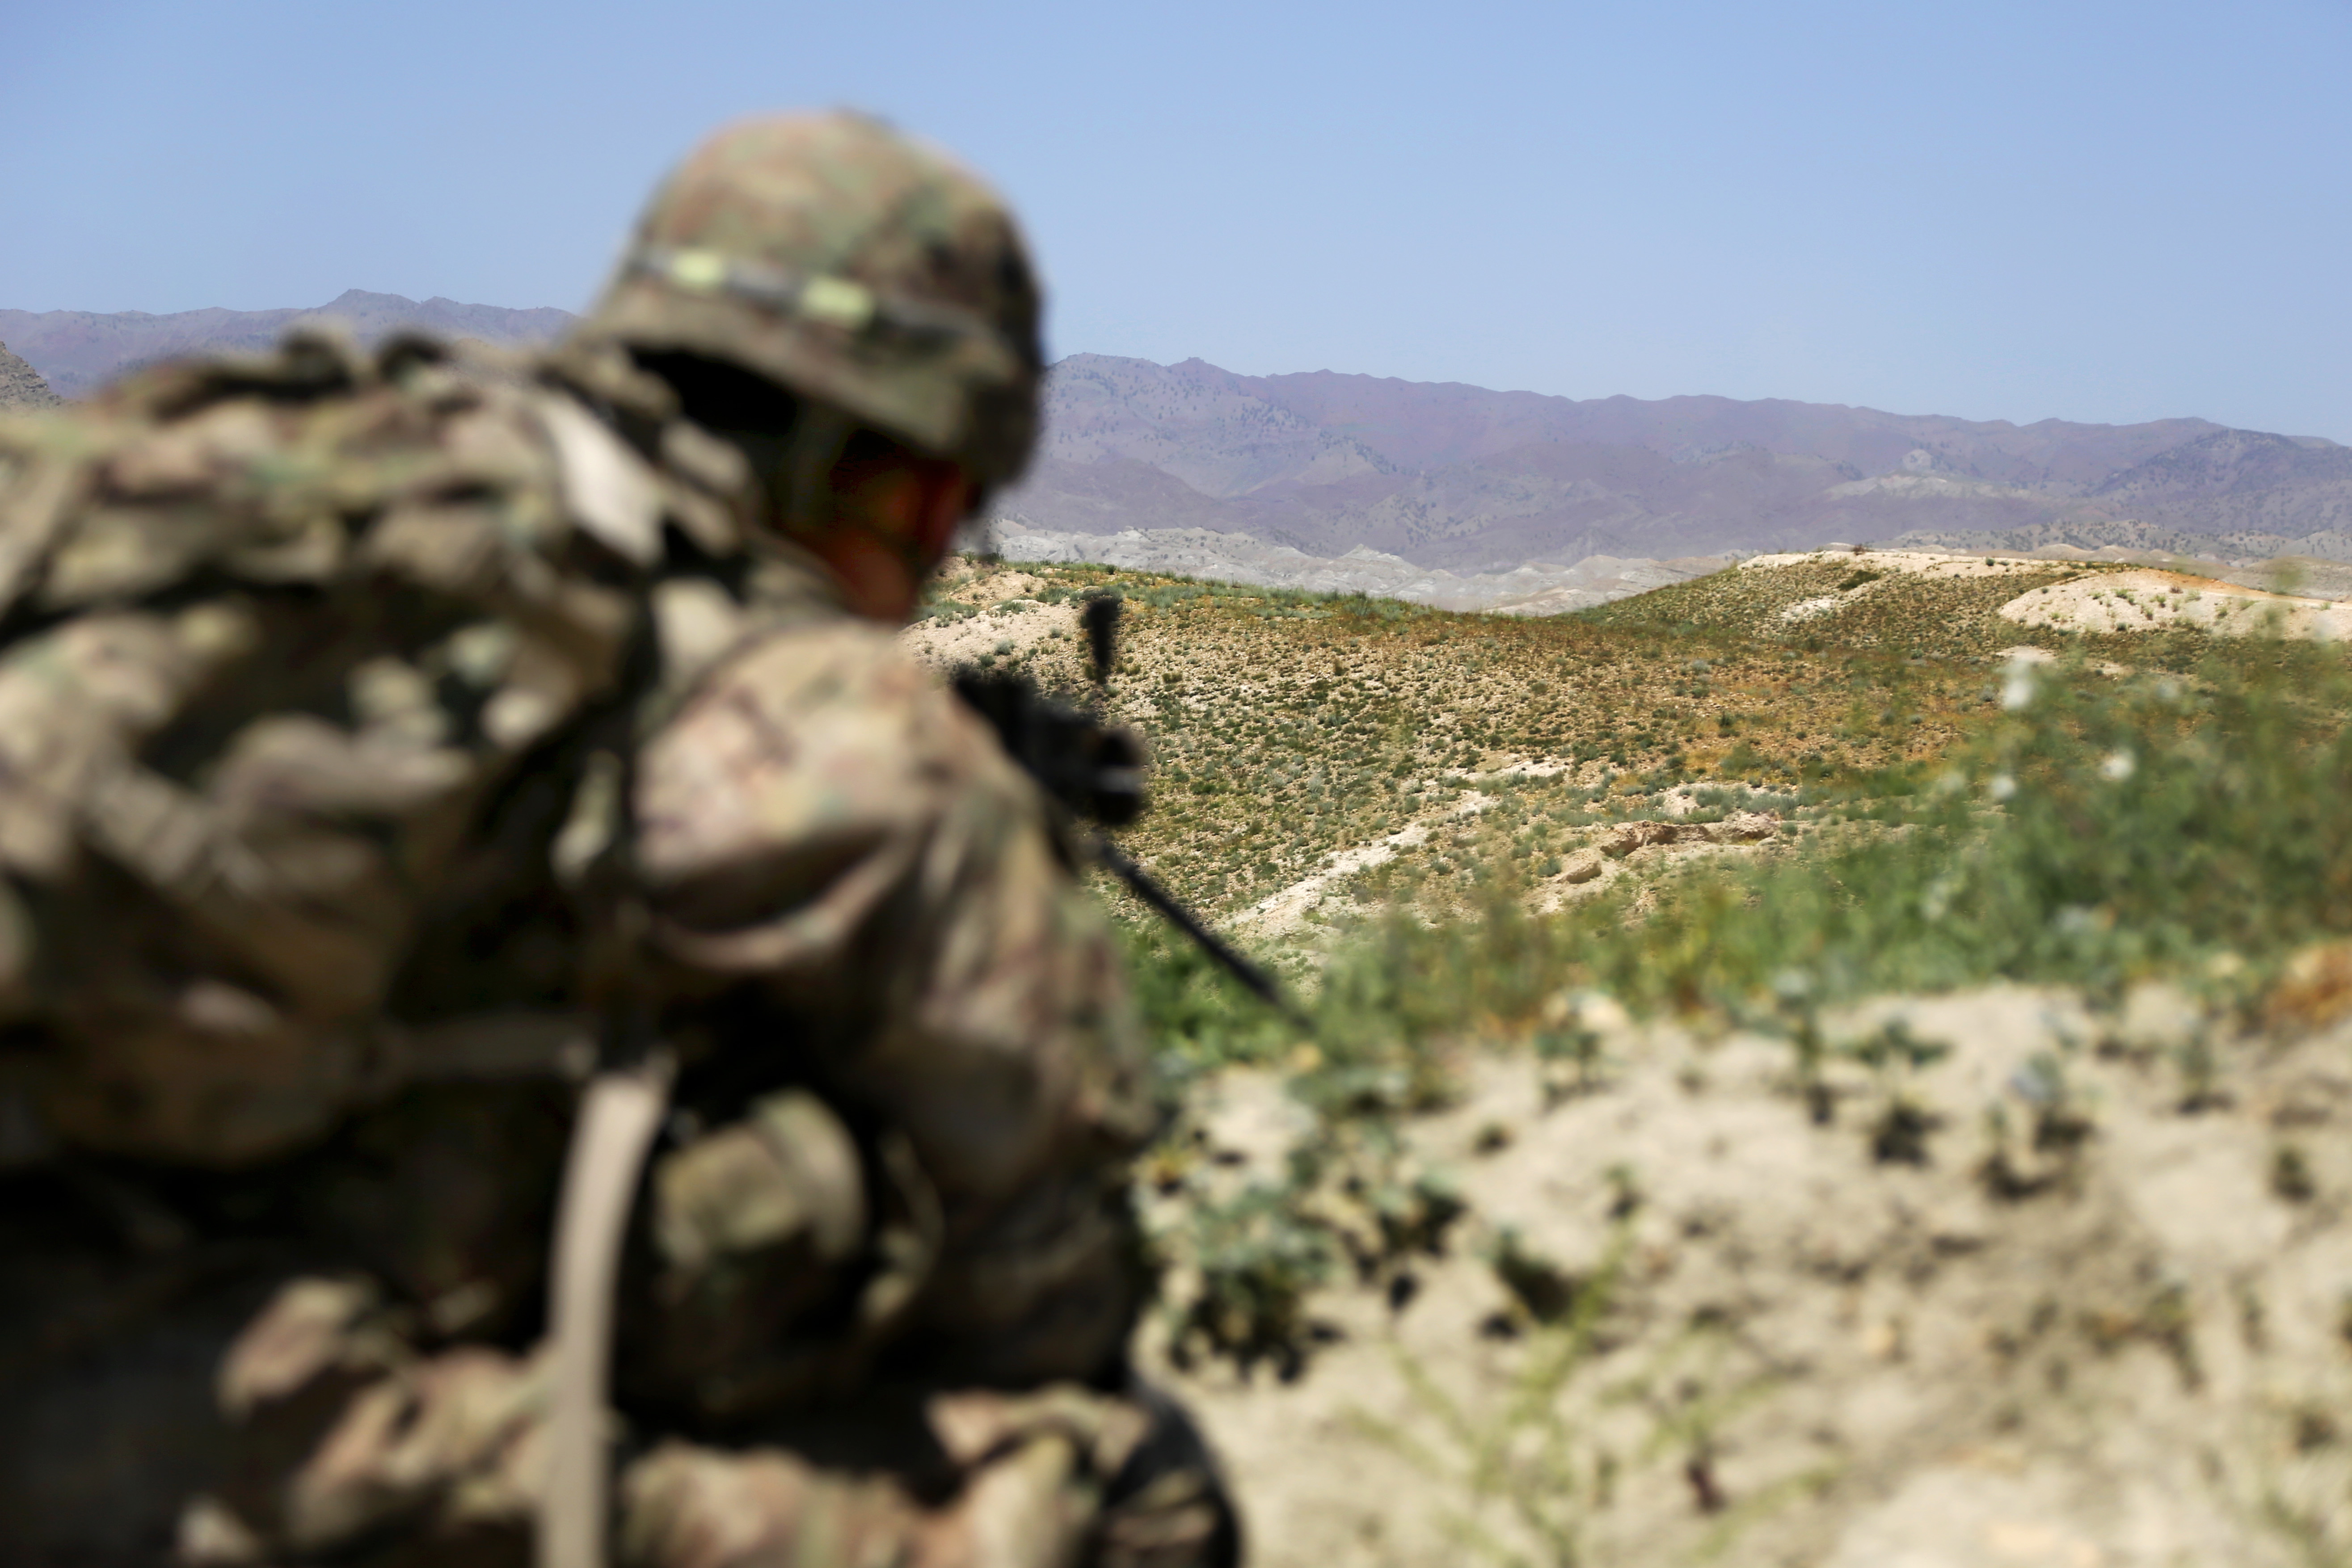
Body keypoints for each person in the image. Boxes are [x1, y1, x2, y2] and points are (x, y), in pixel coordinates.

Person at [0, 111, 1237, 1568]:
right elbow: (1051, 1303)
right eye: (947, 508)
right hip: (149, 1444)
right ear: (905, 476)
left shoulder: (296, 476)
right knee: (1136, 1498)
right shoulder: (832, 739)